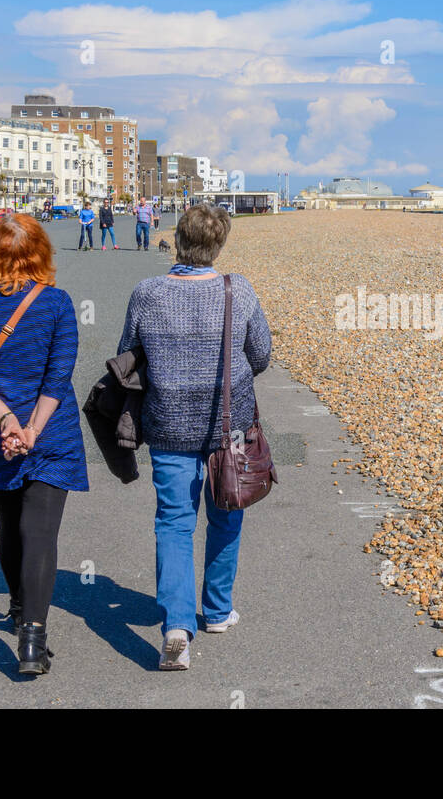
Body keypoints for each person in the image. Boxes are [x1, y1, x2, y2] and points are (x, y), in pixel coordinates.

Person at [117, 203, 271, 671]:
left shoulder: (147, 292)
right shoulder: (237, 289)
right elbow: (260, 353)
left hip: (168, 422)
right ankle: (218, 611)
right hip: (230, 423)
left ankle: (178, 626)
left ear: (178, 241)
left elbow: (127, 356)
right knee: (228, 511)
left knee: (174, 522)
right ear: (219, 244)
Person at [0, 214, 89, 676]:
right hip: (51, 431)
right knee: (41, 531)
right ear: (43, 252)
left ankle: (16, 607)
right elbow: (58, 373)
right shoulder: (56, 303)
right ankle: (33, 639)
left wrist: (6, 421)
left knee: (11, 523)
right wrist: (31, 428)